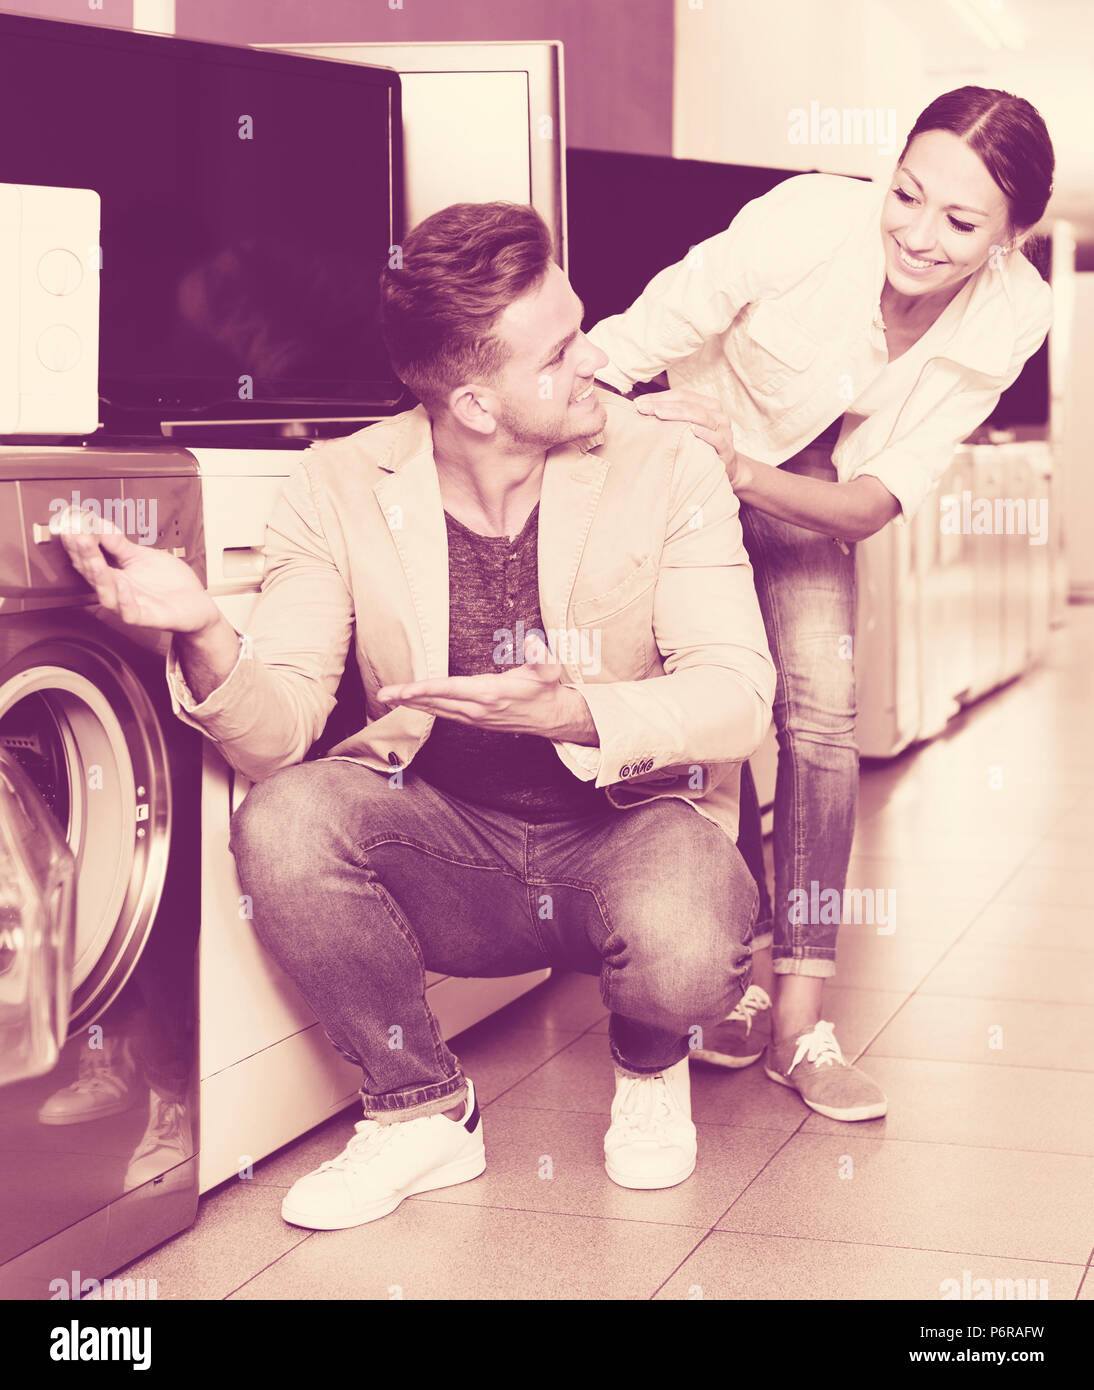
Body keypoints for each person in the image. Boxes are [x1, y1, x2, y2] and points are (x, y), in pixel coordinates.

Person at [56, 201, 776, 1230]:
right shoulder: (337, 483)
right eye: (562, 351)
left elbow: (736, 693)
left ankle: (649, 1062)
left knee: (686, 936)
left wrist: (571, 709)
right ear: (475, 404)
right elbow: (280, 733)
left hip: (627, 834)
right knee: (286, 819)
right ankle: (419, 1111)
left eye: (580, 326)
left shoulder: (664, 463)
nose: (596, 361)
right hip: (450, 846)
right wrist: (203, 630)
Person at [587, 86, 1055, 1122]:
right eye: (906, 193)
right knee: (716, 720)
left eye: (960, 221)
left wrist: (745, 467)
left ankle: (798, 1015)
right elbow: (632, 339)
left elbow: (868, 503)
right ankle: (727, 981)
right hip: (685, 462)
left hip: (800, 481)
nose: (917, 234)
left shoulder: (1015, 311)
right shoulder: (805, 221)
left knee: (823, 714)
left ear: (1009, 239)